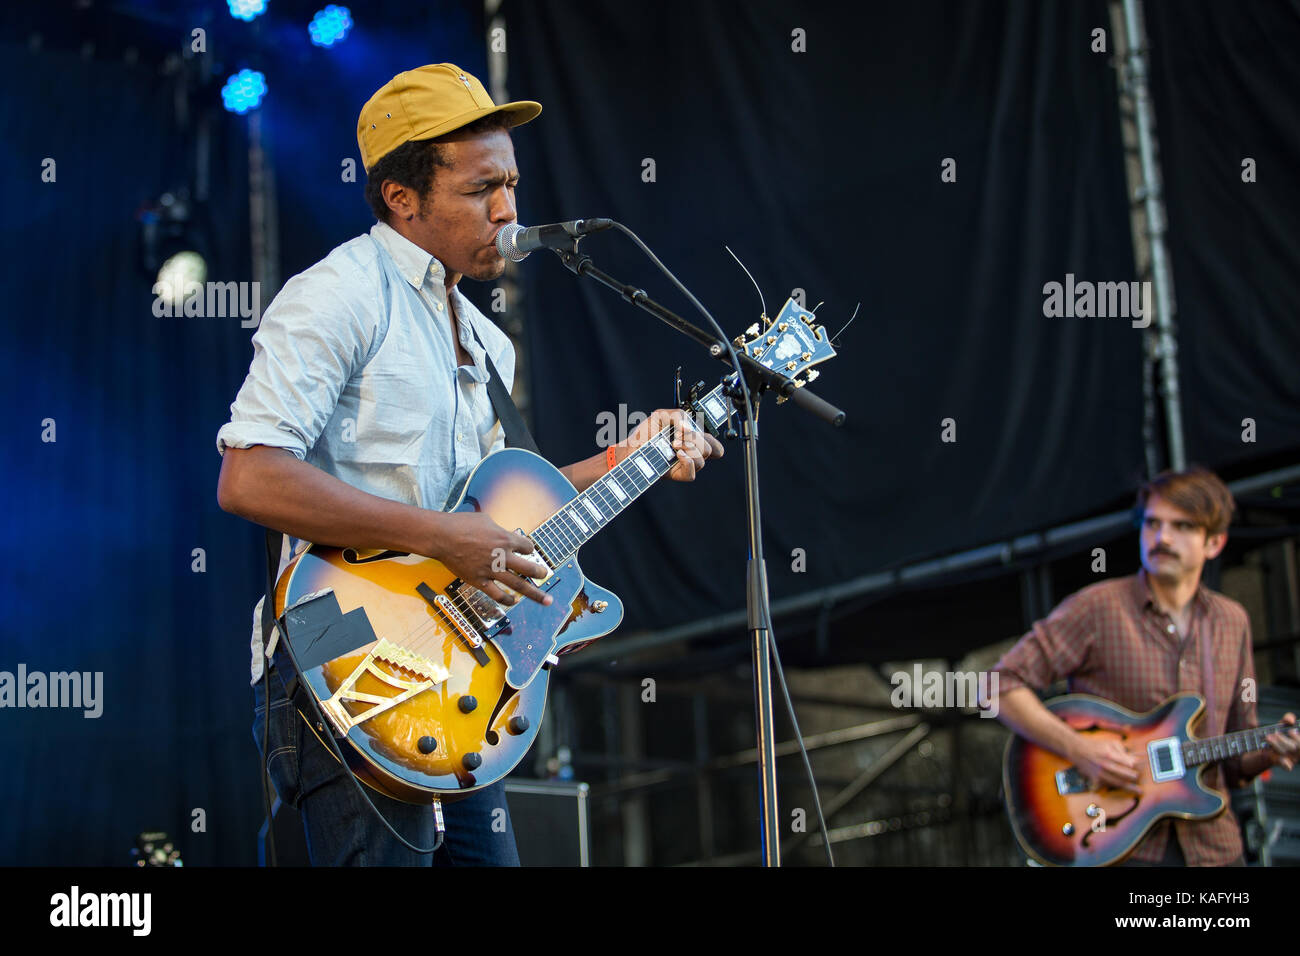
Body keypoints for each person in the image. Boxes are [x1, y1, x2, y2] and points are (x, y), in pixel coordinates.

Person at [214, 63, 724, 866]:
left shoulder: (487, 342)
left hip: (457, 682)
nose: (509, 209)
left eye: (513, 184)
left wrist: (639, 453)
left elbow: (505, 512)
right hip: (344, 659)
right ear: (402, 198)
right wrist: (445, 538)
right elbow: (249, 476)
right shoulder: (339, 295)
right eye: (482, 187)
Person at [993, 466, 1299, 866]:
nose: (1162, 538)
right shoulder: (1097, 607)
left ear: (1215, 542)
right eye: (1153, 524)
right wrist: (1081, 750)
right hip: (1122, 846)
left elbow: (1237, 753)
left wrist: (1272, 752)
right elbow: (997, 685)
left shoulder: (1232, 620)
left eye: (1182, 526)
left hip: (1214, 849)